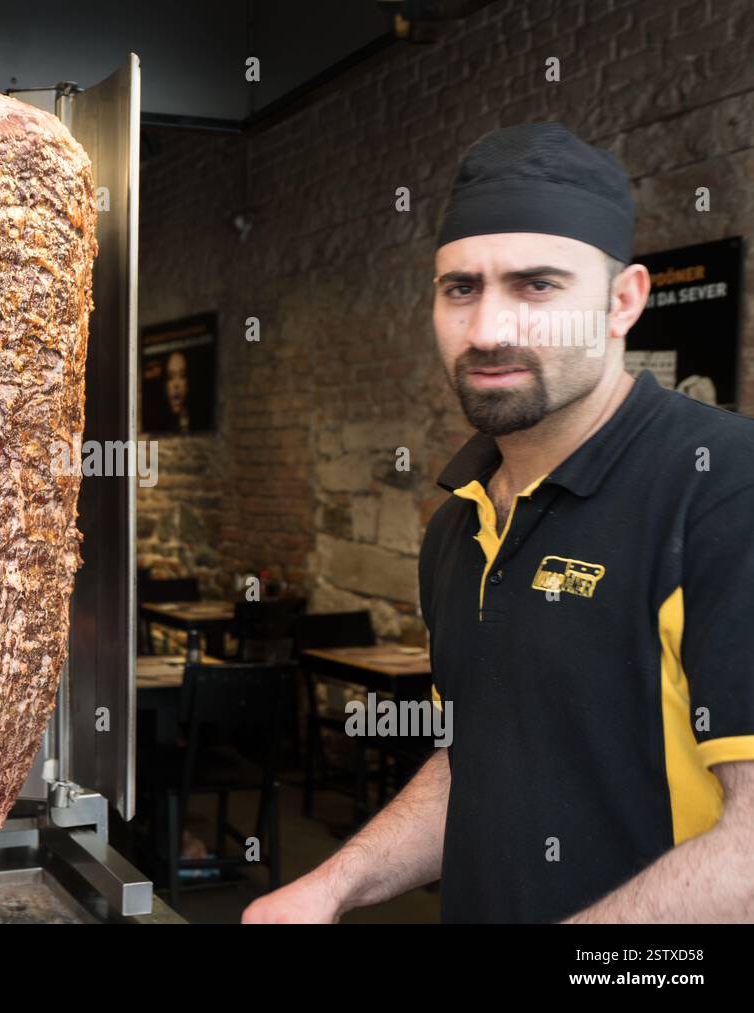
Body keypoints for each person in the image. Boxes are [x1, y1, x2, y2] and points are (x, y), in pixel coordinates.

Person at [243, 122, 754, 924]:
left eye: (537, 286)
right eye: (461, 289)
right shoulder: (461, 522)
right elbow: (480, 758)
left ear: (625, 302)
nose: (487, 331)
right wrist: (332, 882)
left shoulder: (725, 488)